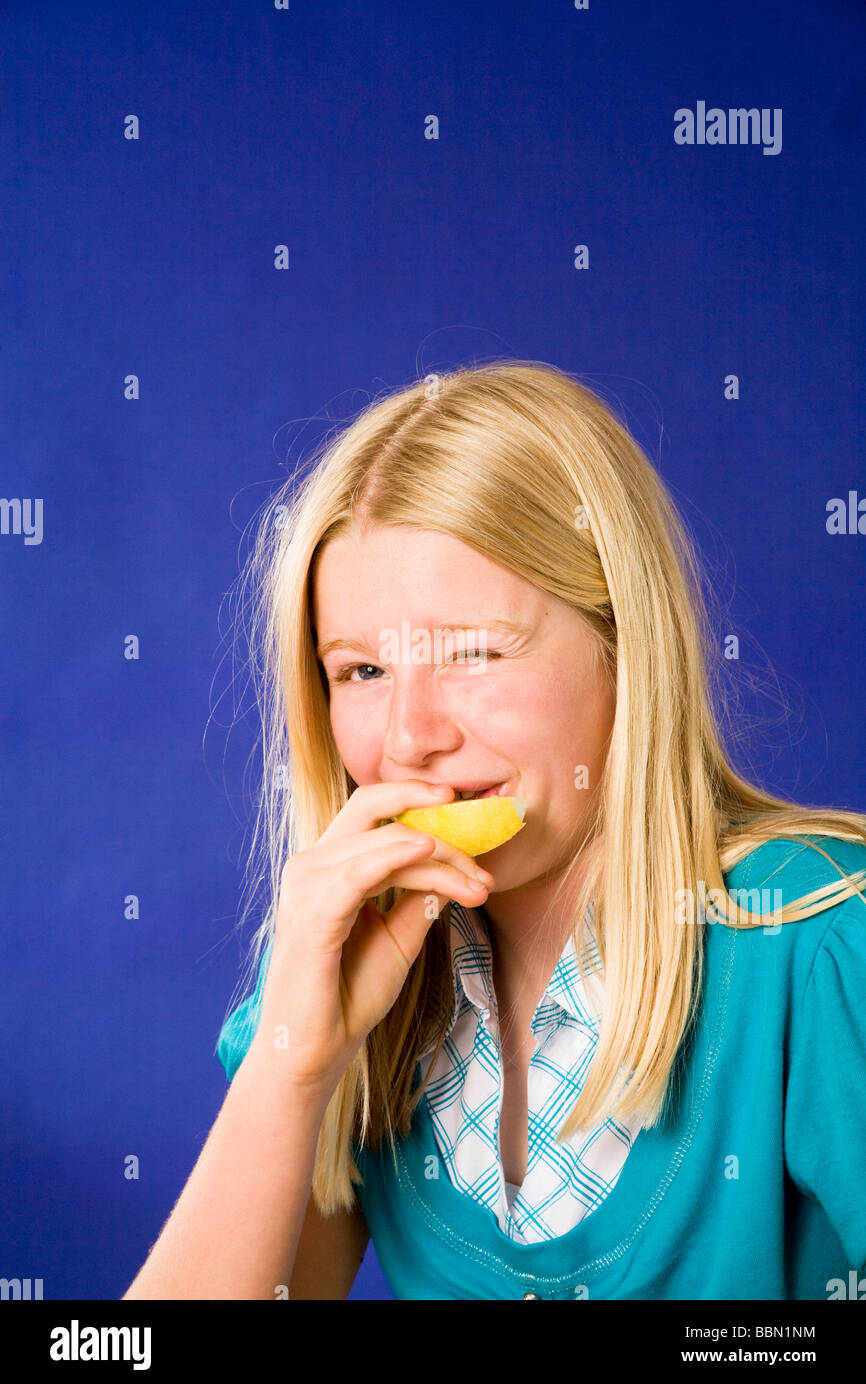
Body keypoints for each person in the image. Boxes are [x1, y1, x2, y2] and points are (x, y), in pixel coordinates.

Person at [123, 360, 866, 1301]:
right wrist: (292, 1062)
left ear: (621, 645)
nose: (409, 737)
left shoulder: (823, 948)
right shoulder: (341, 976)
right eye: (359, 672)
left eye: (472, 653)